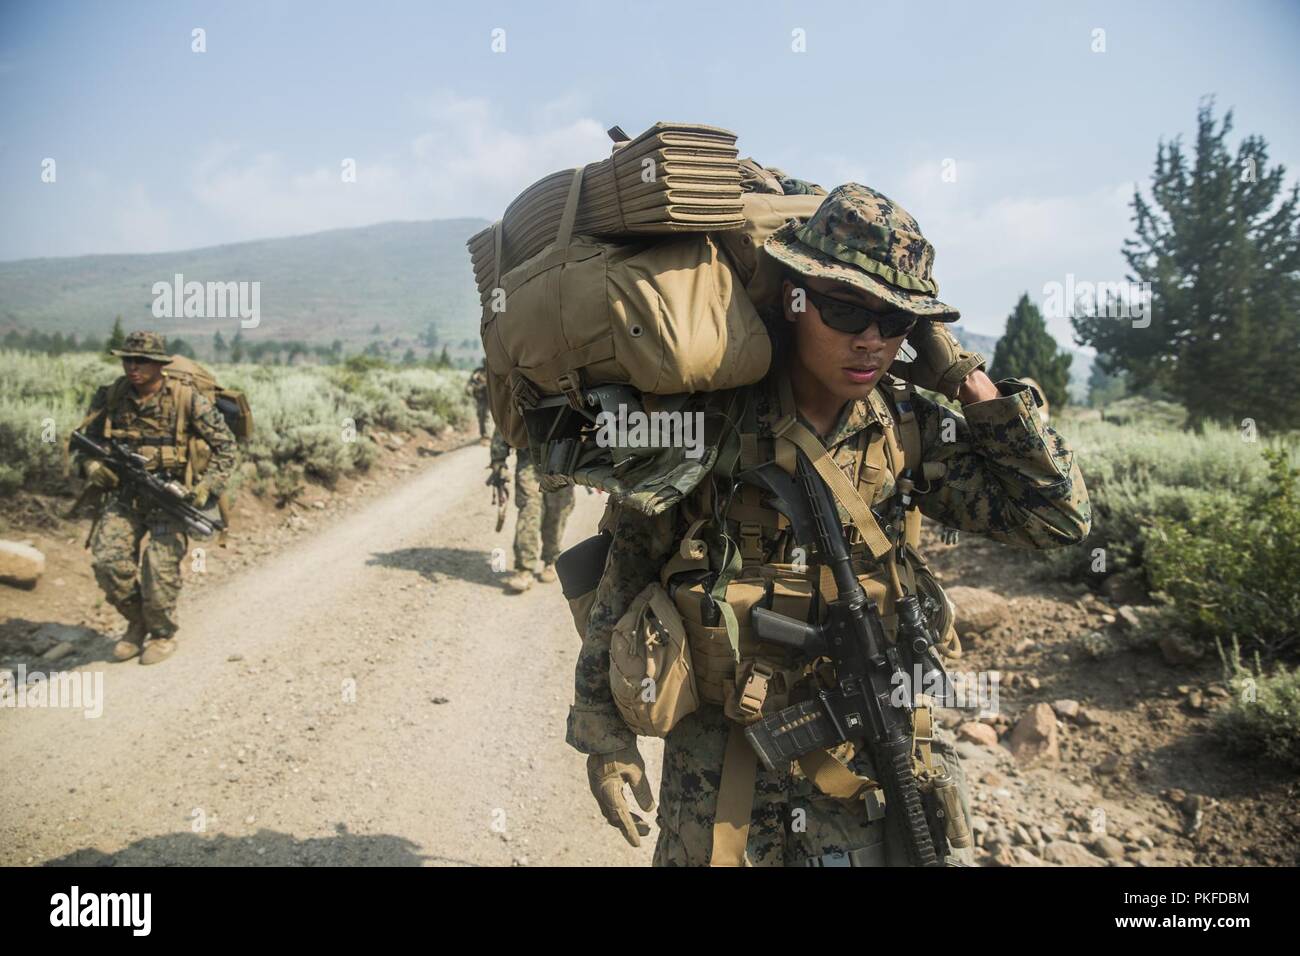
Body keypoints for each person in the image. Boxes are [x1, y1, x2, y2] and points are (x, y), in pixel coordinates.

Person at [565, 183, 1092, 866]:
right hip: (726, 759)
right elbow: (623, 576)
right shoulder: (710, 422)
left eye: (897, 320)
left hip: (876, 746)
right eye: (844, 309)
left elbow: (1057, 518)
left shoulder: (906, 427)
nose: (870, 339)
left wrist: (968, 381)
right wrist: (604, 737)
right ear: (796, 298)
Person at [73, 331, 237, 665]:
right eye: (127, 360)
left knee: (158, 572)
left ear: (159, 364)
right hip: (124, 496)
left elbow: (226, 446)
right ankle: (137, 623)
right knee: (108, 562)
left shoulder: (186, 399)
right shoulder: (111, 396)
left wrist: (207, 487)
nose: (132, 367)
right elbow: (83, 441)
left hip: (169, 500)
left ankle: (162, 633)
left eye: (141, 361)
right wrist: (91, 466)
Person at [488, 426, 576, 594]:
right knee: (529, 511)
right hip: (529, 460)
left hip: (564, 459)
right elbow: (507, 418)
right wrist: (498, 458)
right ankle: (524, 568)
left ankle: (551, 560)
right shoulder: (519, 398)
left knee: (557, 513)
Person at [466, 363, 491, 441]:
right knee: (481, 416)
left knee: (486, 416)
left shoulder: (492, 371)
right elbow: (471, 382)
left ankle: (487, 434)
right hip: (481, 397)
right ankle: (484, 434)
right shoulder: (478, 372)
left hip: (488, 398)